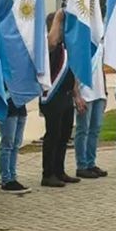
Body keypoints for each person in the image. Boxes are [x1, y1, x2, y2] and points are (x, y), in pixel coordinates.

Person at [40, 10, 80, 187]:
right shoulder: (48, 44)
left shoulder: (66, 47)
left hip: (66, 97)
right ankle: (47, 174)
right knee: (53, 135)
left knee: (64, 135)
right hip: (53, 97)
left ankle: (59, 170)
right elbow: (51, 42)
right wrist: (57, 18)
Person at [73, 43, 110, 178]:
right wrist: (77, 95)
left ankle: (91, 163)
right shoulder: (81, 43)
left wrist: (105, 92)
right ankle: (81, 165)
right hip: (85, 93)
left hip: (99, 93)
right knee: (83, 130)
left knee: (95, 129)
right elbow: (75, 70)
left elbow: (101, 69)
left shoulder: (100, 45)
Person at [0, 100, 32, 190]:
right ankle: (6, 179)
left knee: (16, 145)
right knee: (7, 145)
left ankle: (13, 177)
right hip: (8, 111)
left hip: (21, 110)